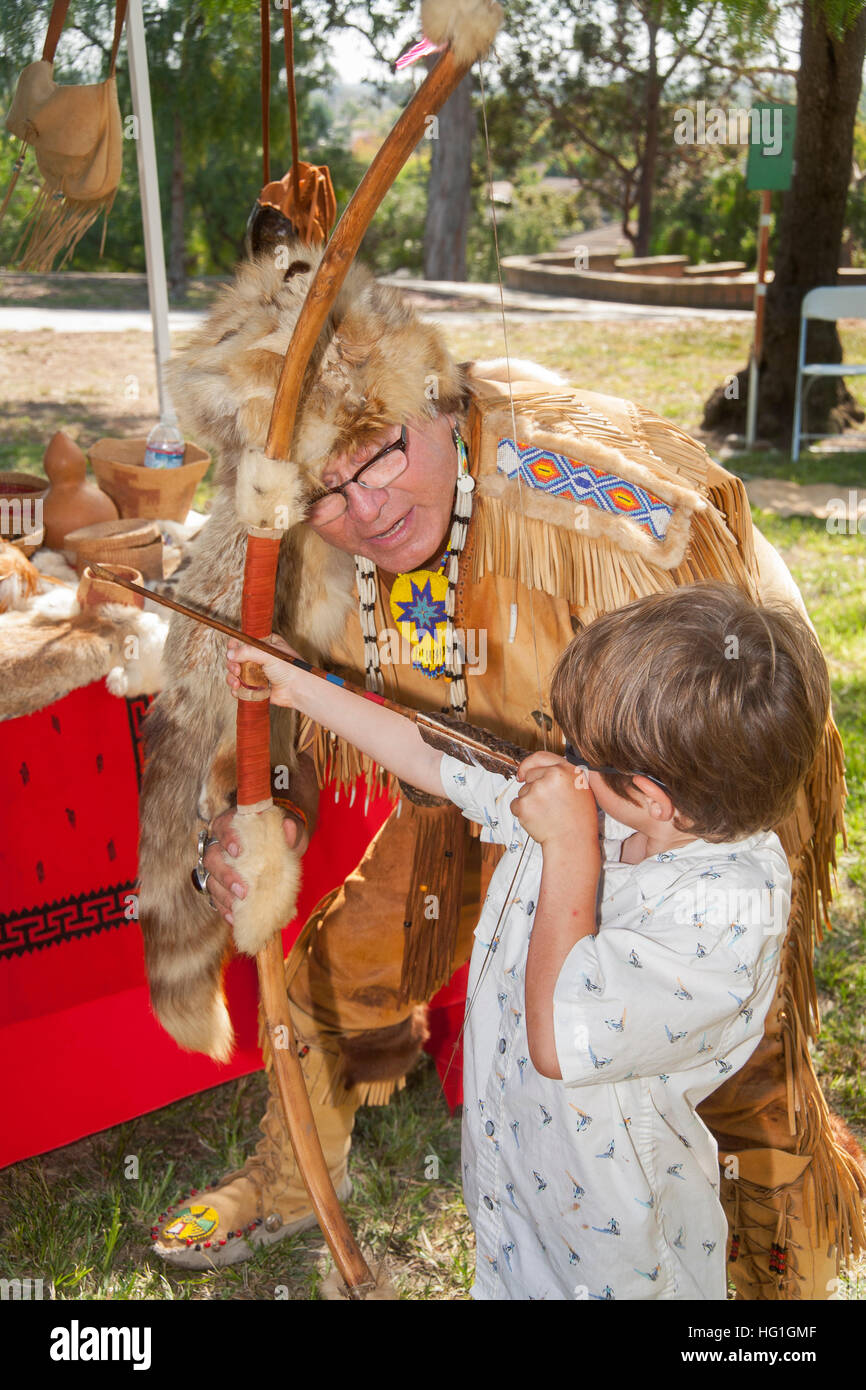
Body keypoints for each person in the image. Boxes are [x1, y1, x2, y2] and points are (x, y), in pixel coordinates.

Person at [140, 245, 864, 1295]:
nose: (366, 508)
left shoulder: (602, 513)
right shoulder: (290, 530)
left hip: (680, 806)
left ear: (434, 399)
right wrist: (267, 813)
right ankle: (292, 1176)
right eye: (322, 489)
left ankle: (767, 1295)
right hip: (485, 787)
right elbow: (269, 707)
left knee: (735, 1088)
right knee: (324, 982)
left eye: (382, 452)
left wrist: (636, 821)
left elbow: (730, 708)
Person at [221, 580, 829, 1299]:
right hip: (522, 1180)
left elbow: (558, 1040)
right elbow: (435, 763)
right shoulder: (618, 807)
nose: (565, 761)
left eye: (582, 751)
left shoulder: (727, 909)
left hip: (612, 1243)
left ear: (656, 797)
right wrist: (298, 687)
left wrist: (571, 845)